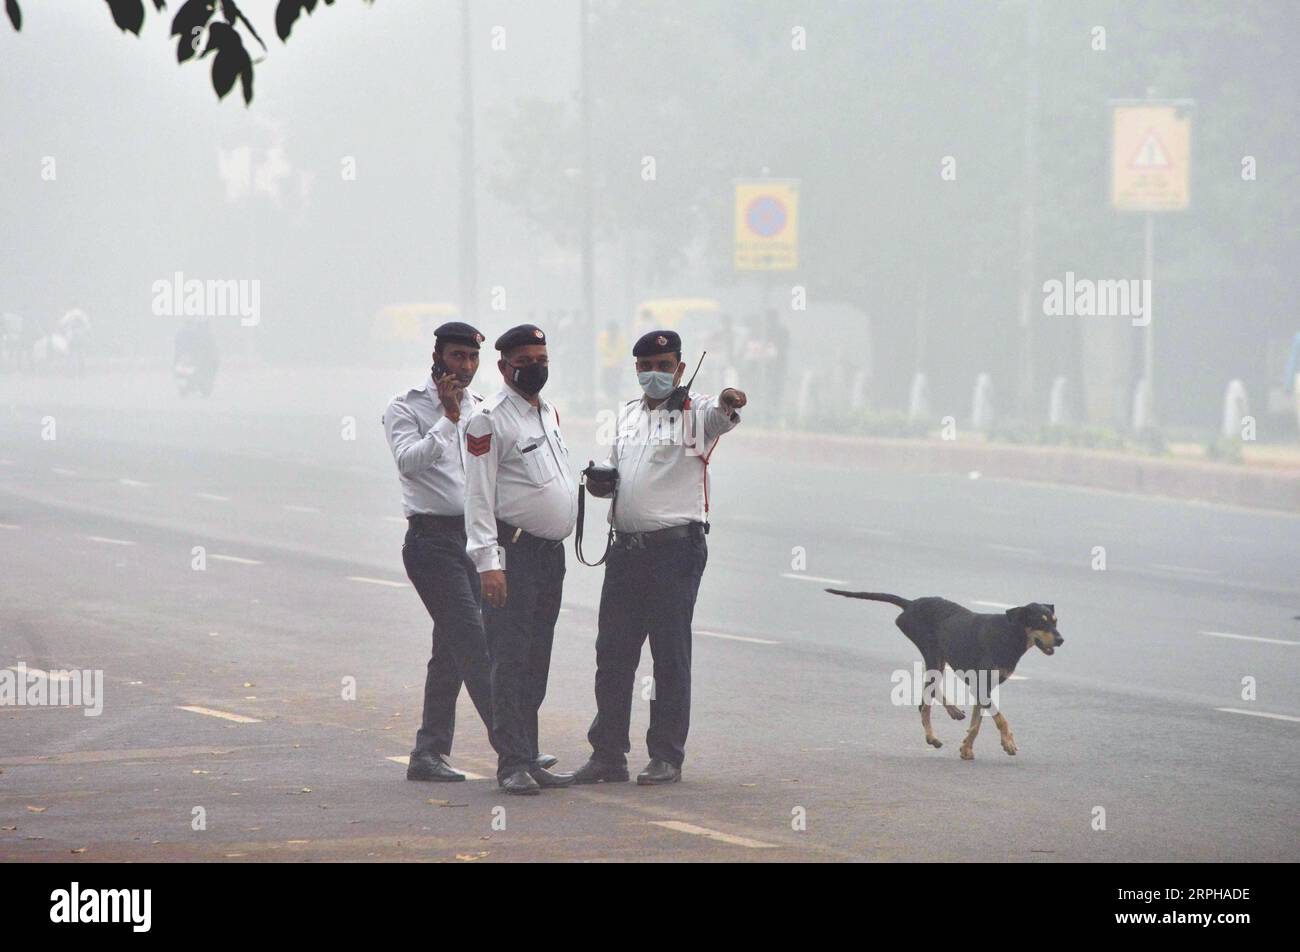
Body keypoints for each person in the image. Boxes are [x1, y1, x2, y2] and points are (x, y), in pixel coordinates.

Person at [384, 322, 558, 782]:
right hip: (430, 542)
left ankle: (428, 751)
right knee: (475, 645)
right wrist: (447, 417)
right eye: (457, 356)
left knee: (451, 651)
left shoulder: (484, 409)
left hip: (474, 539)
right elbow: (409, 462)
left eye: (471, 359)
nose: (464, 366)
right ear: (437, 356)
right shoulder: (406, 405)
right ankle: (516, 752)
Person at [572, 329, 747, 785]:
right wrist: (600, 484)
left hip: (674, 552)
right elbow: (618, 473)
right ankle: (607, 754)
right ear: (636, 369)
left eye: (665, 366)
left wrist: (730, 399)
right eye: (647, 367)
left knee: (669, 654)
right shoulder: (628, 417)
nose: (655, 374)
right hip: (625, 552)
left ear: (681, 369)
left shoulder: (694, 415)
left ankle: (666, 754)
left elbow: (722, 412)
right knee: (612, 655)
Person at [464, 324, 578, 795]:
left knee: (537, 659)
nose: (536, 367)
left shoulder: (546, 411)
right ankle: (511, 762)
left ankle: (529, 754)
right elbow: (477, 496)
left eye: (542, 358)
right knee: (509, 660)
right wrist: (489, 562)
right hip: (513, 555)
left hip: (549, 556)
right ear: (503, 366)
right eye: (525, 360)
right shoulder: (488, 419)